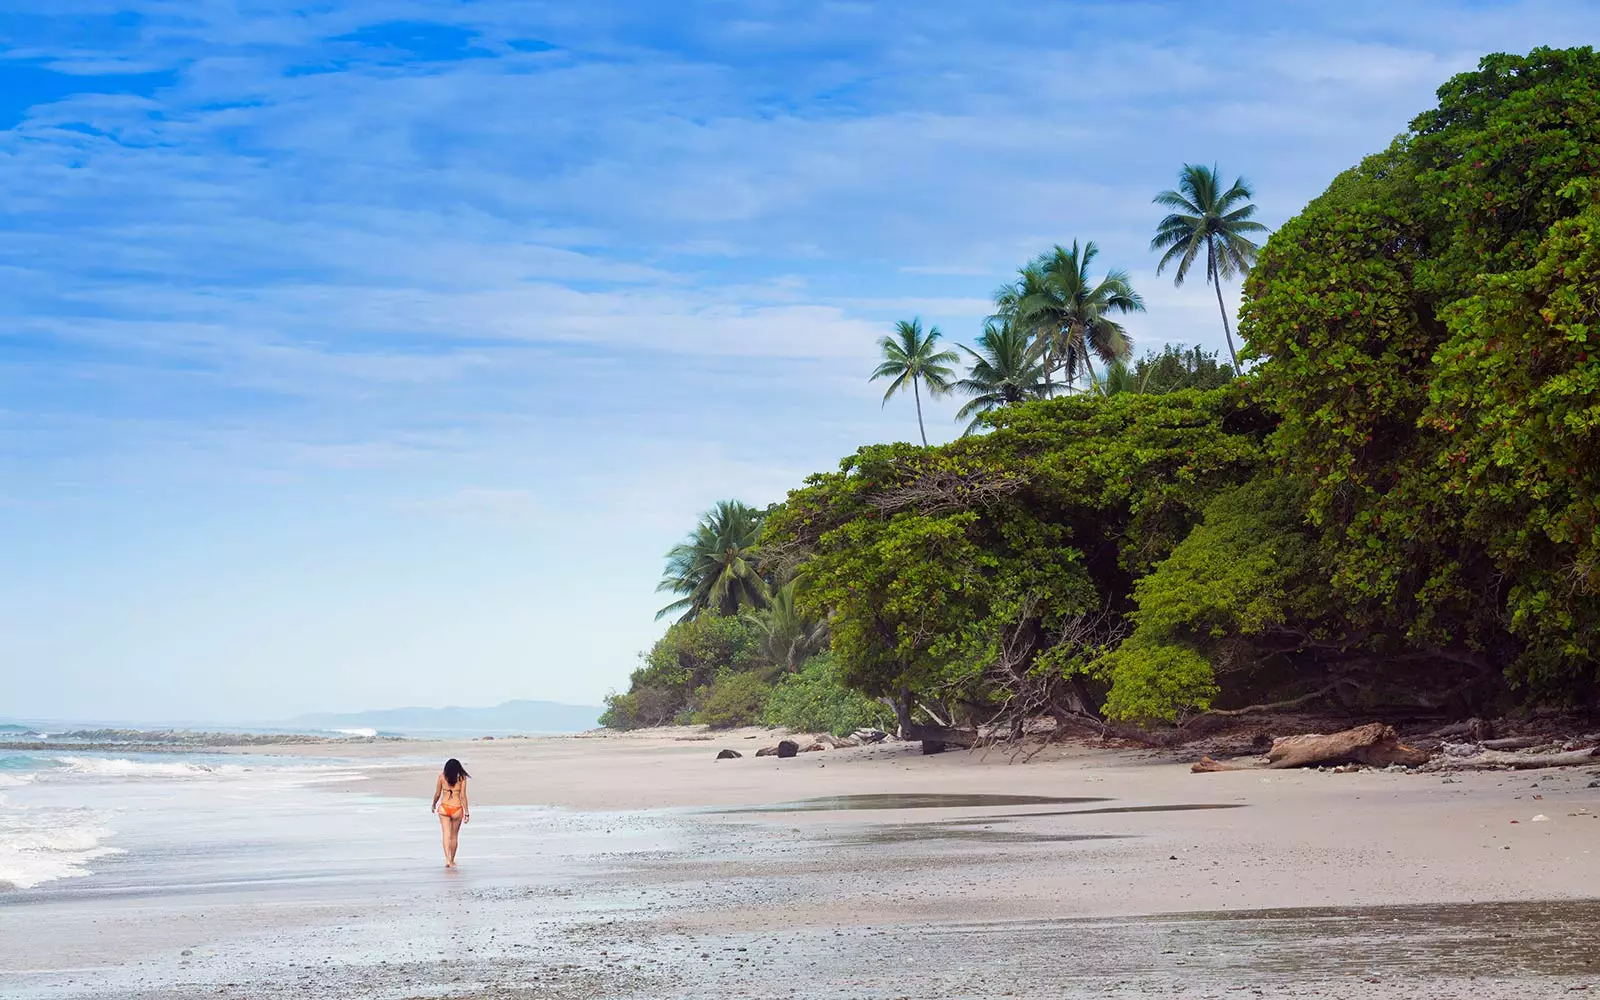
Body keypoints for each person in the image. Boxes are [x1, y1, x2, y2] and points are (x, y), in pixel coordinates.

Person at [430, 758, 471, 868]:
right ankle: (452, 859)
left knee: (445, 834)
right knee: (454, 836)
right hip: (457, 808)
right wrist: (467, 813)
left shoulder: (441, 777)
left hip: (444, 808)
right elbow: (463, 796)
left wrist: (434, 804)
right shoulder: (462, 778)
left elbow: (437, 794)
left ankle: (447, 859)